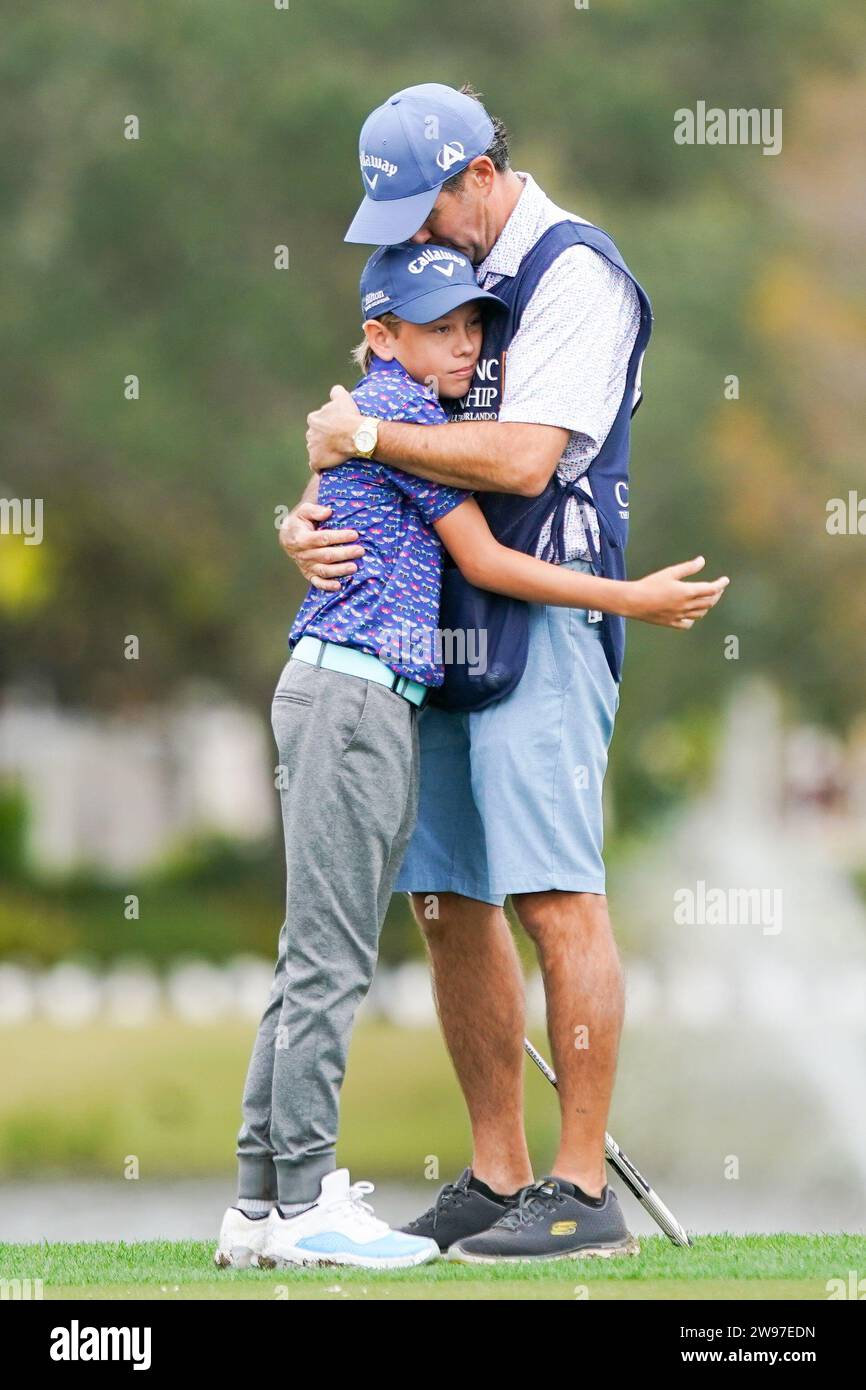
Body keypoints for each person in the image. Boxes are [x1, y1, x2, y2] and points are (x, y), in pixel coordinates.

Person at [216, 238, 727, 1271]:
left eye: (471, 327)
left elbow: (337, 480)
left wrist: (330, 460)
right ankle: (302, 1197)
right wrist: (630, 598)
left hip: (337, 690)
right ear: (379, 337)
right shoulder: (397, 424)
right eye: (441, 328)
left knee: (308, 952)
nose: (464, 345)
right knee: (327, 959)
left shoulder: (371, 417)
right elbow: (490, 557)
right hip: (354, 698)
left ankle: (258, 1204)